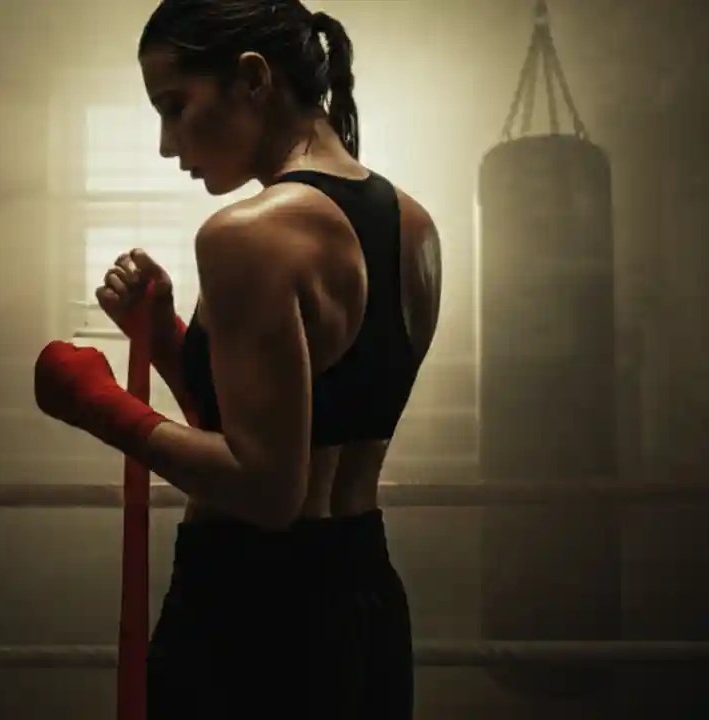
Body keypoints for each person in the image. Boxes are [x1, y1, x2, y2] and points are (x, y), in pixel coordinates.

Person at [34, 0, 442, 717]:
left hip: (252, 610)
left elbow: (267, 492)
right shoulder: (415, 225)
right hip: (364, 599)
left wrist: (97, 404)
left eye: (175, 105)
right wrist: (162, 335)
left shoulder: (247, 234)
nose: (166, 143)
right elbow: (279, 431)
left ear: (253, 80)